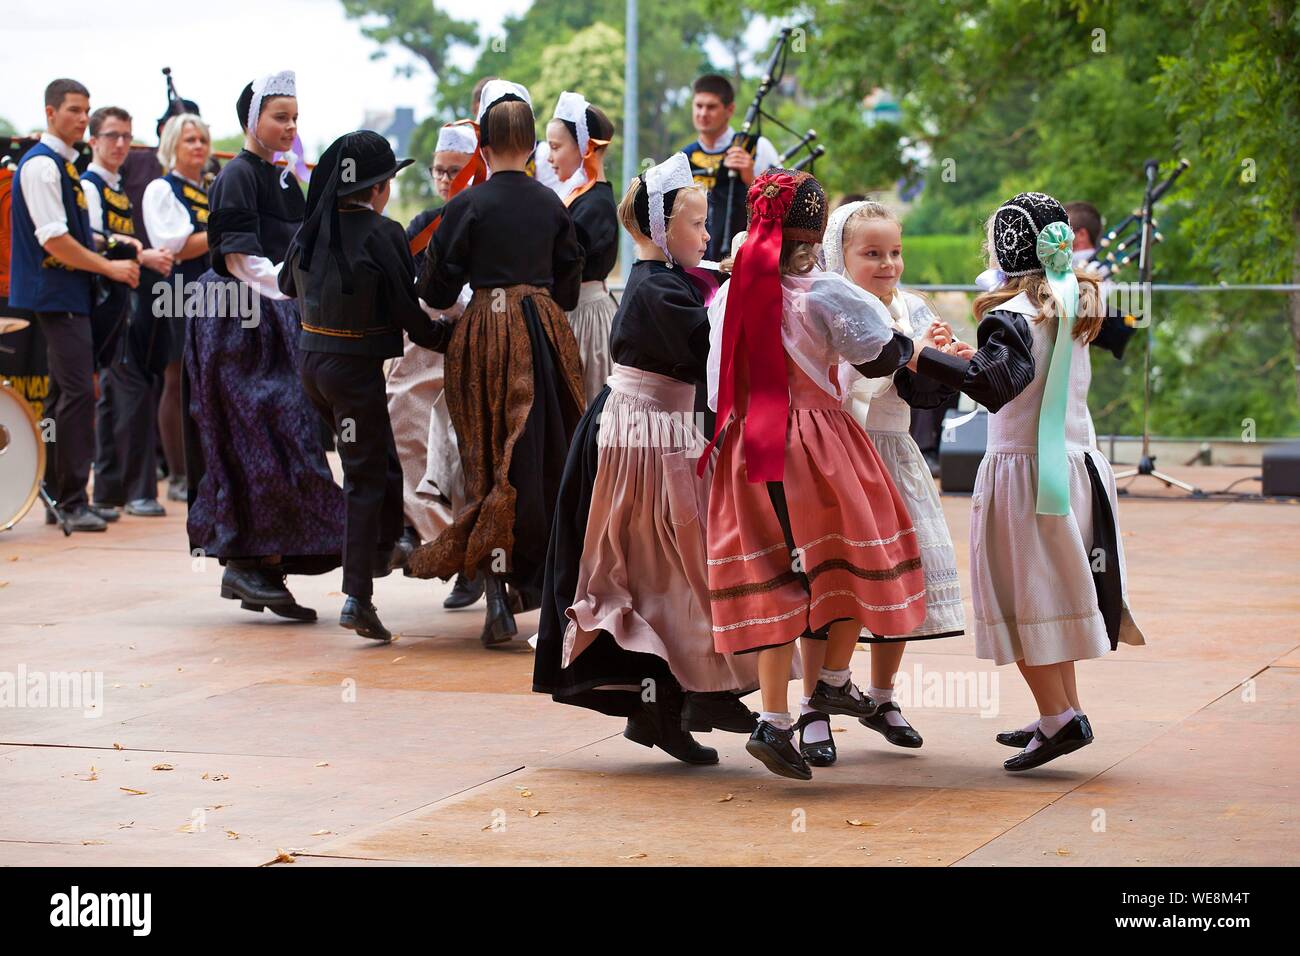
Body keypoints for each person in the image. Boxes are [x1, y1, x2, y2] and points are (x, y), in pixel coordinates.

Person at [534, 153, 762, 765]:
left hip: (659, 435)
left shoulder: (665, 281)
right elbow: (714, 341)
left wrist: (732, 268)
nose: (706, 235)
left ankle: (668, 704)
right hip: (640, 444)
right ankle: (688, 695)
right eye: (696, 224)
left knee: (665, 574)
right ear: (662, 230)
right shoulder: (659, 289)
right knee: (668, 572)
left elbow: (710, 298)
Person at [705, 168, 931, 780]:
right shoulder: (824, 292)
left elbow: (713, 387)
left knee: (778, 579)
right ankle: (832, 681)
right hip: (816, 441)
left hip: (746, 449)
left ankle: (775, 720)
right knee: (859, 554)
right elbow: (881, 352)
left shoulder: (728, 293)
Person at [911, 191, 1145, 771]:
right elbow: (1019, 373)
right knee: (1051, 592)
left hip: (1027, 473)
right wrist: (973, 357)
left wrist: (925, 358)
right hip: (1074, 465)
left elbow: (994, 386)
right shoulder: (1066, 302)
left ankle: (1060, 718)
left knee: (1024, 597)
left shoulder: (1013, 314)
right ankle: (1059, 712)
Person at [407, 80, 585, 647]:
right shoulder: (552, 204)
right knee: (543, 459)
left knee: (486, 462)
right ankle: (547, 594)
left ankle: (495, 596)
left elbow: (434, 287)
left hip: (482, 333)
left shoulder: (465, 204)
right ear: (532, 147)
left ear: (481, 147)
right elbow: (572, 288)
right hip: (543, 333)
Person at [808, 199, 965, 764]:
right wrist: (913, 357)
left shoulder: (912, 309)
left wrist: (945, 360)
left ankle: (881, 697)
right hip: (843, 453)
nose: (888, 264)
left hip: (894, 453)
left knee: (902, 571)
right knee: (834, 580)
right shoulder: (825, 307)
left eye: (895, 252)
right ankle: (816, 706)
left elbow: (923, 396)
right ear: (840, 257)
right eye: (871, 253)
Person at [184, 70, 344, 620]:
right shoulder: (235, 177)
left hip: (277, 313)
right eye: (280, 116)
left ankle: (267, 562)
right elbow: (240, 261)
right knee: (249, 434)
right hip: (237, 318)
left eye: (295, 118)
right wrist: (289, 296)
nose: (289, 127)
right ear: (253, 120)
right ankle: (244, 562)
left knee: (289, 436)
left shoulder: (284, 179)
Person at [281, 131, 453, 642]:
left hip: (312, 364)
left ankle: (383, 547)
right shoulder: (384, 233)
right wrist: (450, 338)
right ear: (378, 188)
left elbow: (288, 286)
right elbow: (409, 313)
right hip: (353, 372)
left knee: (380, 464)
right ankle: (358, 593)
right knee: (363, 478)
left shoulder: (313, 228)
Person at [9, 78, 140, 532]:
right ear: (50, 114)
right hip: (55, 294)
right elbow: (56, 241)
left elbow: (78, 235)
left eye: (86, 110)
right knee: (79, 395)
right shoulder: (43, 167)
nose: (83, 118)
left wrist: (117, 246)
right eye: (73, 110)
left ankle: (51, 492)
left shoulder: (65, 167)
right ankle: (70, 499)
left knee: (61, 397)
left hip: (68, 294)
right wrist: (111, 269)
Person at [386, 121, 484, 610]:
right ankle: (427, 534)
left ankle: (476, 561)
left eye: (455, 170)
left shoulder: (484, 213)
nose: (446, 179)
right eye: (439, 171)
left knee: (466, 451)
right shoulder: (423, 222)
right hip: (427, 344)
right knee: (407, 428)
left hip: (476, 340)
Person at [82, 106, 175, 520]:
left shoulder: (116, 186)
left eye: (126, 136)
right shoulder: (89, 185)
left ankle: (107, 491)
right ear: (93, 141)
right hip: (104, 305)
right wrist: (142, 252)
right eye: (111, 136)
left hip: (124, 304)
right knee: (131, 396)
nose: (120, 144)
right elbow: (95, 239)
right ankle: (137, 491)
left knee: (114, 401)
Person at [143, 112, 213, 505]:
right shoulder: (161, 189)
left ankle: (205, 467)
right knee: (177, 379)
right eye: (190, 140)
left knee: (205, 380)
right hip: (180, 291)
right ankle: (178, 473)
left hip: (215, 292)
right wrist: (221, 233)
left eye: (202, 139)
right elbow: (175, 246)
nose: (199, 146)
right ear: (172, 144)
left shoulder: (206, 189)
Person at [546, 91, 617, 404]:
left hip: (584, 319)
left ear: (585, 148)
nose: (549, 158)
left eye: (556, 147)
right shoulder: (577, 198)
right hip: (572, 313)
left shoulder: (595, 204)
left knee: (583, 409)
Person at [681, 74, 779, 262]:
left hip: (747, 261)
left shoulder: (757, 148)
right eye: (698, 106)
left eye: (711, 107)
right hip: (696, 267)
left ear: (730, 109)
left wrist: (751, 179)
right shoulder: (684, 157)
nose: (702, 113)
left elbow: (785, 206)